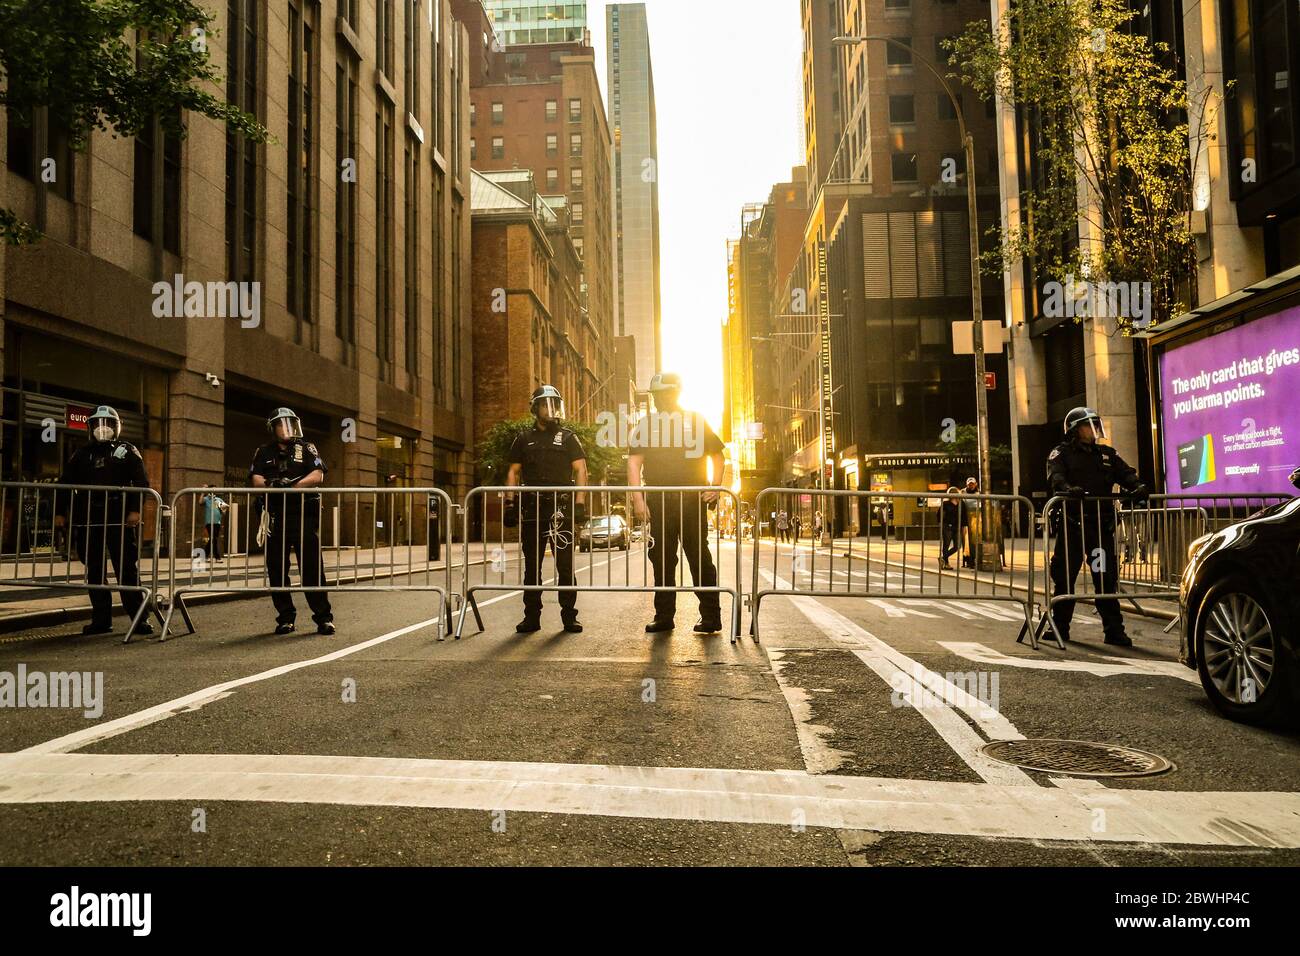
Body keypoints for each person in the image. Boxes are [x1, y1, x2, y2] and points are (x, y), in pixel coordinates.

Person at [629, 372, 726, 635]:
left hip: (691, 503)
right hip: (659, 503)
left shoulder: (695, 421)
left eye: (666, 394)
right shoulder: (646, 424)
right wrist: (638, 499)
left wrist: (715, 487)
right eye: (658, 395)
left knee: (699, 558)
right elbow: (634, 462)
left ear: (676, 394)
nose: (661, 400)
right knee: (661, 560)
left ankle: (711, 617)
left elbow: (717, 455)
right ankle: (663, 617)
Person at [1047, 406, 1148, 646]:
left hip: (1100, 528)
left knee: (1105, 578)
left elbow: (1125, 473)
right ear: (1074, 431)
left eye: (1095, 425)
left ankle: (1114, 630)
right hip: (1073, 526)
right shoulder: (1060, 454)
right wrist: (1068, 490)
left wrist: (1137, 486)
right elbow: (1056, 477)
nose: (1093, 431)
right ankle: (1059, 628)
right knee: (1065, 579)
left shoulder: (1105, 454)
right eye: (1087, 426)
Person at [54, 405, 153, 636]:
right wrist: (60, 513)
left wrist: (135, 510)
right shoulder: (81, 454)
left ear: (116, 427)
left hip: (119, 519)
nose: (102, 429)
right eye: (97, 424)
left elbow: (141, 482)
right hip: (89, 519)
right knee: (95, 570)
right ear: (90, 428)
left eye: (107, 424)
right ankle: (101, 619)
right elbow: (64, 484)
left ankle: (139, 619)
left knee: (126, 569)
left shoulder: (127, 451)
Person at [505, 385, 587, 634]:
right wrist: (509, 503)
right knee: (532, 566)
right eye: (545, 404)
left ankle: (569, 617)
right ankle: (531, 617)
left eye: (555, 404)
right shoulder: (522, 438)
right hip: (532, 509)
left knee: (564, 565)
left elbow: (581, 470)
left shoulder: (569, 437)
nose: (551, 410)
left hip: (560, 509)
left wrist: (580, 503)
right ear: (535, 408)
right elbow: (513, 472)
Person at [250, 407, 334, 636]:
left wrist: (293, 487)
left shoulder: (306, 447)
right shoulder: (263, 451)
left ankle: (323, 618)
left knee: (312, 568)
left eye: (289, 423)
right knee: (277, 569)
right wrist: (271, 487)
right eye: (281, 424)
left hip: (302, 515)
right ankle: (285, 619)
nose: (286, 428)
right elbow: (256, 478)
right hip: (275, 516)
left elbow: (318, 474)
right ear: (273, 428)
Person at [201, 486, 228, 562]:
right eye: (213, 489)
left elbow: (224, 511)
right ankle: (217, 557)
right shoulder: (206, 499)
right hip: (209, 522)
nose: (215, 490)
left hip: (217, 522)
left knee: (213, 539)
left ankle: (206, 556)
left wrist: (224, 509)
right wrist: (203, 492)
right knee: (214, 539)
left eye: (216, 489)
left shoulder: (218, 500)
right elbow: (200, 502)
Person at [939, 487, 961, 570]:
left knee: (957, 546)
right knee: (946, 544)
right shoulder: (945, 504)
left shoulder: (960, 503)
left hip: (956, 527)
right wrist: (942, 524)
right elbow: (939, 515)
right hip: (947, 526)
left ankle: (943, 557)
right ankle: (946, 563)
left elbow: (963, 516)